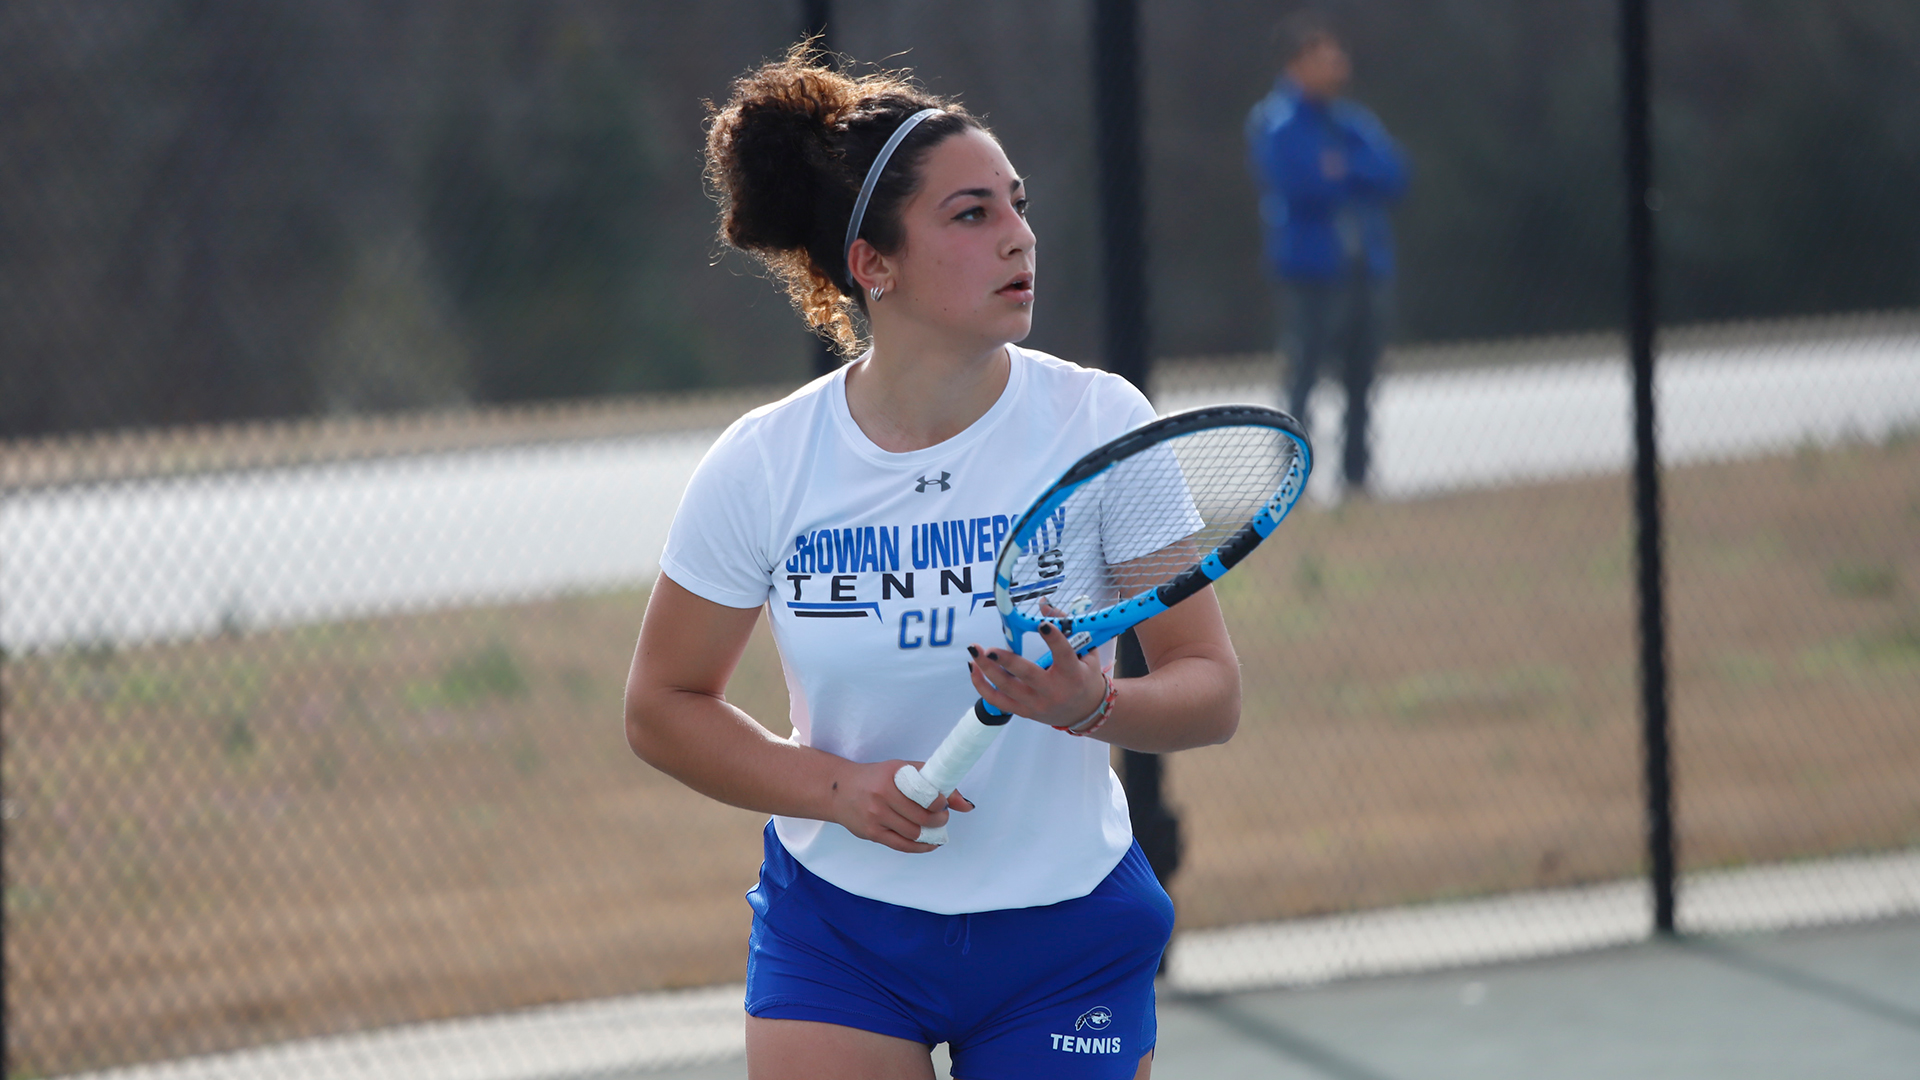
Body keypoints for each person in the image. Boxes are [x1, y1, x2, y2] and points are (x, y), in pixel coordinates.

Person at [625, 45, 1243, 1080]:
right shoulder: (765, 463)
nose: (1019, 236)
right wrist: (833, 791)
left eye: (1017, 204)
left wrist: (1091, 705)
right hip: (842, 937)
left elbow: (1210, 692)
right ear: (874, 265)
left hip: (1064, 938)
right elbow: (661, 706)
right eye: (972, 215)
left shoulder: (1099, 422)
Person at [1246, 11, 1408, 497]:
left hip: (1363, 269)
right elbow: (1301, 183)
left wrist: (1345, 168)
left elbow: (1395, 174)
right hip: (1309, 271)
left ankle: (1357, 480)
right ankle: (1295, 484)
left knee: (1362, 376)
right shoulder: (1276, 123)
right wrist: (1351, 175)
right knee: (1304, 377)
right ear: (1297, 64)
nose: (1337, 66)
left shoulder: (1350, 122)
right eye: (1324, 57)